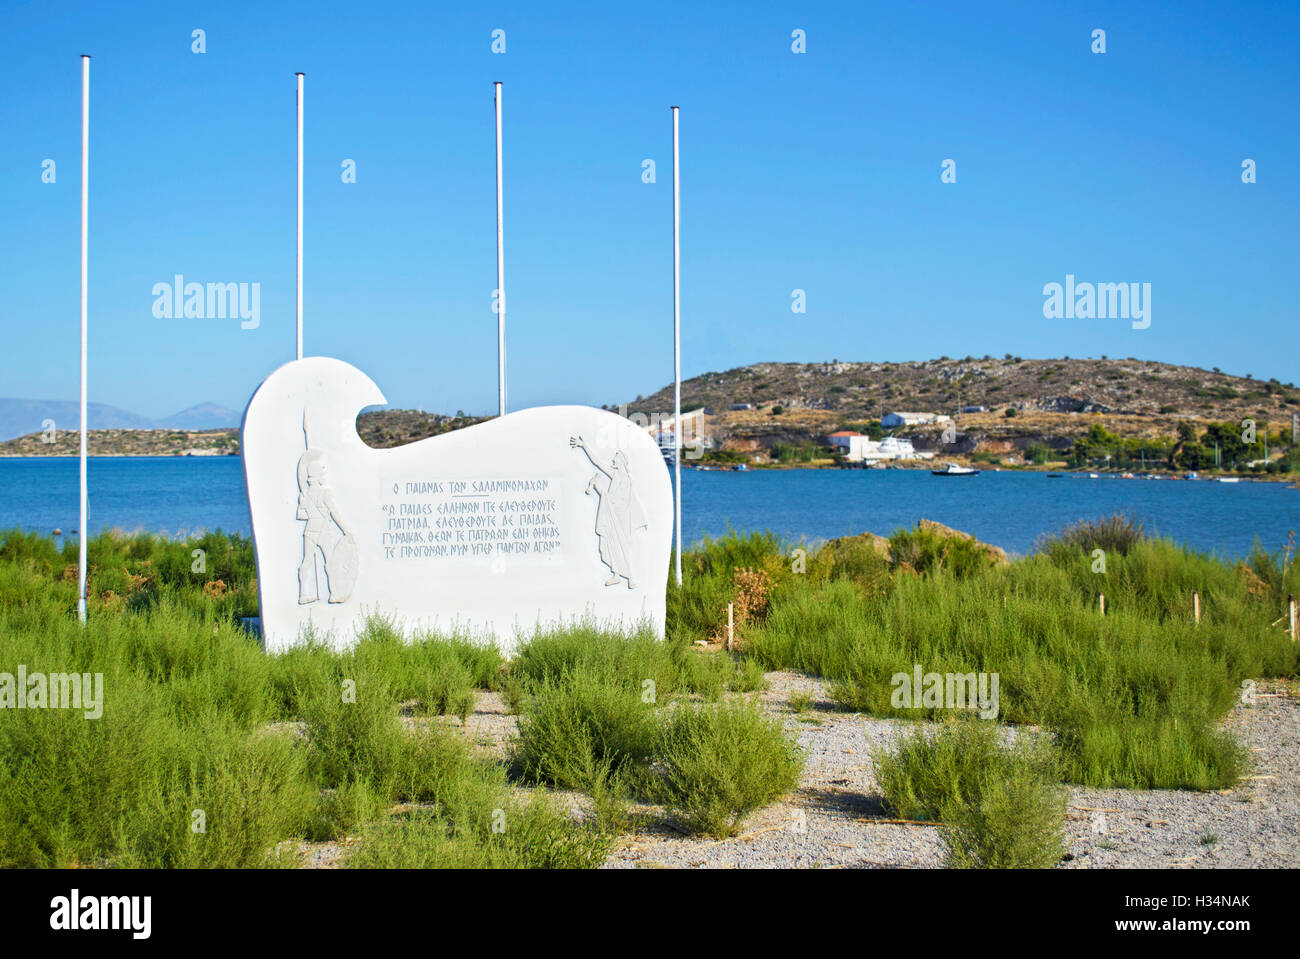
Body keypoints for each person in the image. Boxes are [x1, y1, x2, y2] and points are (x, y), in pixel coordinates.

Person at [570, 435, 647, 588]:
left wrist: (604, 495)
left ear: (622, 461)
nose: (613, 460)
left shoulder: (626, 480)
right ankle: (616, 575)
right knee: (610, 544)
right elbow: (597, 462)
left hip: (621, 518)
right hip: (612, 516)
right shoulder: (615, 474)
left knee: (622, 547)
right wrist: (584, 445)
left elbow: (624, 501)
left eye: (615, 458)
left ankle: (631, 577)